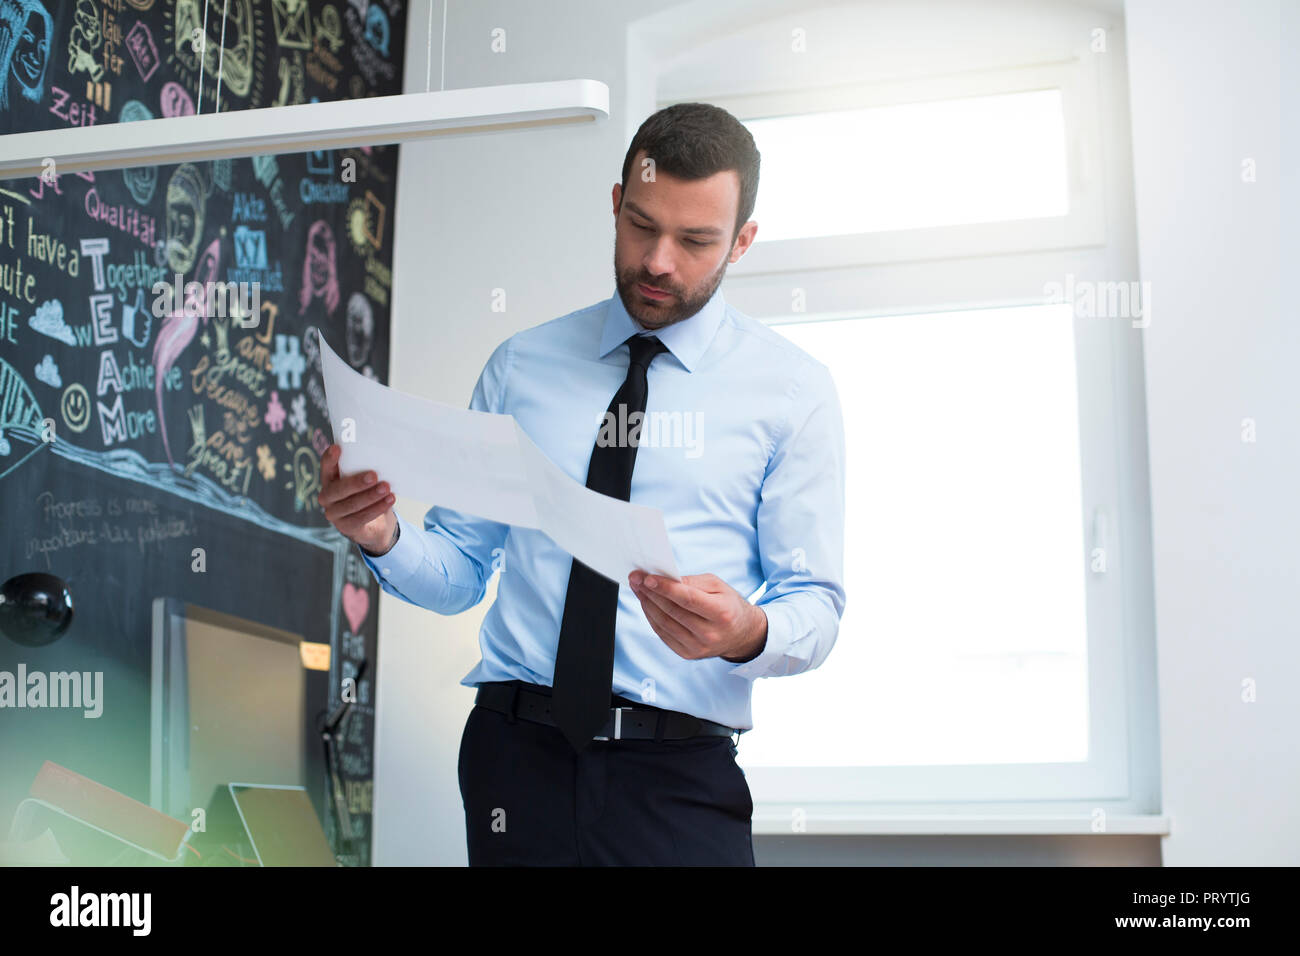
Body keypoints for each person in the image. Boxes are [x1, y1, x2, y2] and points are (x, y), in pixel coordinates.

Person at [318, 102, 846, 866]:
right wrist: (383, 537)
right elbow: (464, 571)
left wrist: (747, 632)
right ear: (615, 204)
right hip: (514, 757)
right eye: (641, 225)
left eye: (695, 240)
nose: (658, 260)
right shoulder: (521, 366)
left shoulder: (792, 394)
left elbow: (816, 605)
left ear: (743, 242)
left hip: (677, 779)